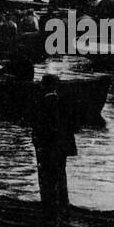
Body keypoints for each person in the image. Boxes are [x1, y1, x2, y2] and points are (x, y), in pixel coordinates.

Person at [33, 74, 77, 217]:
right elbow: (71, 126)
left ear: (43, 86)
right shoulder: (62, 102)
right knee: (60, 177)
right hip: (60, 148)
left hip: (47, 148)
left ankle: (49, 211)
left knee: (47, 179)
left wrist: (38, 144)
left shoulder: (45, 103)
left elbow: (42, 128)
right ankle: (63, 207)